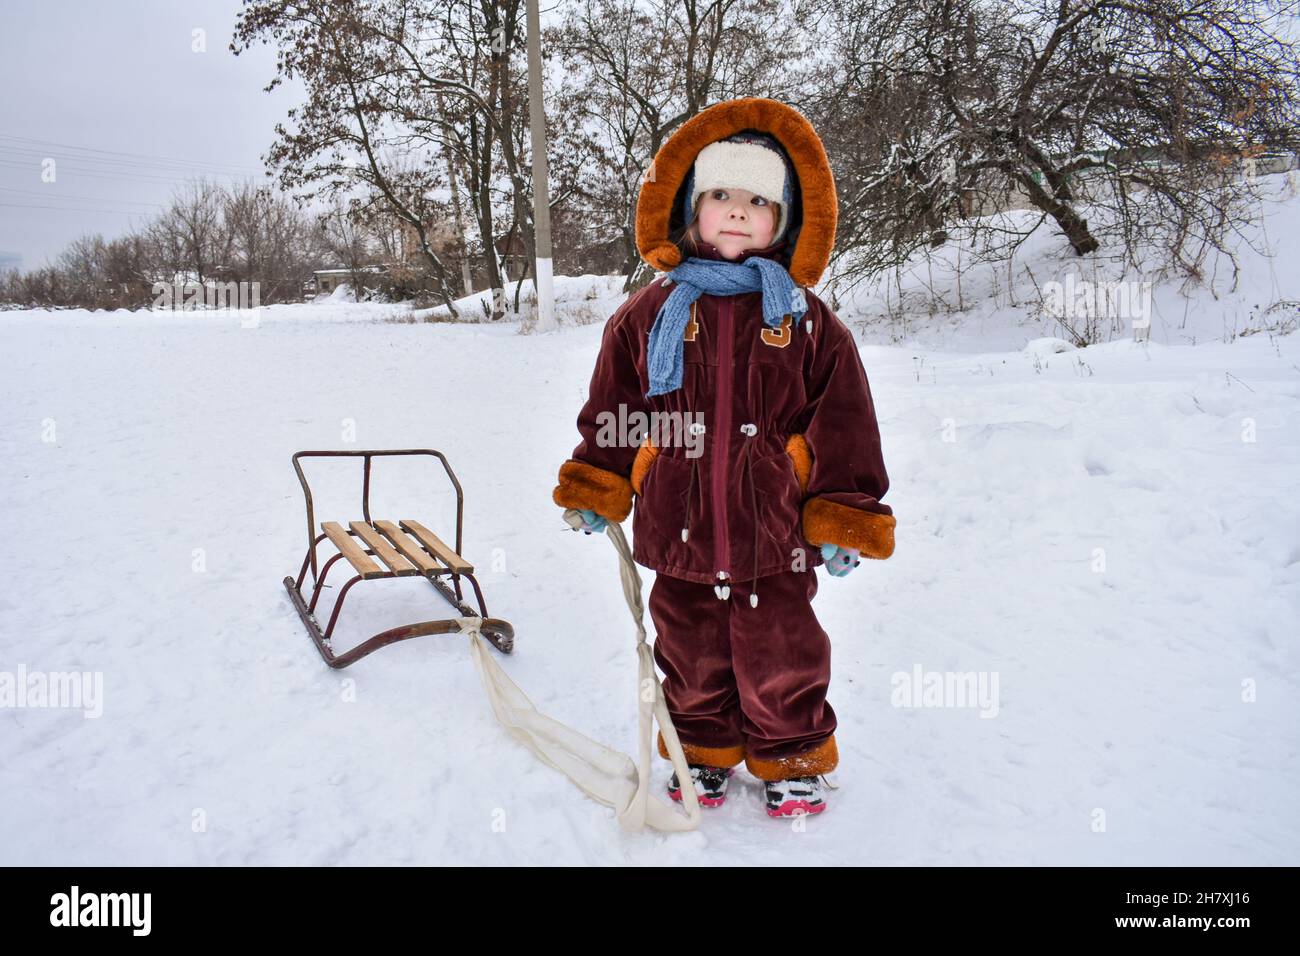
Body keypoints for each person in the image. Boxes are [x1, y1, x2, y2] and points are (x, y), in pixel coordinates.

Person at [553, 98, 896, 818]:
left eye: (757, 200)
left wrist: (844, 514)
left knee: (784, 650)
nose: (737, 212)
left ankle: (791, 754)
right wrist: (600, 480)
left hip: (774, 529)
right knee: (690, 648)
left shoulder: (804, 320)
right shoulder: (649, 314)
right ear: (691, 207)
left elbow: (844, 420)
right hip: (678, 520)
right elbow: (618, 407)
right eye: (720, 196)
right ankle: (702, 750)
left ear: (783, 218)